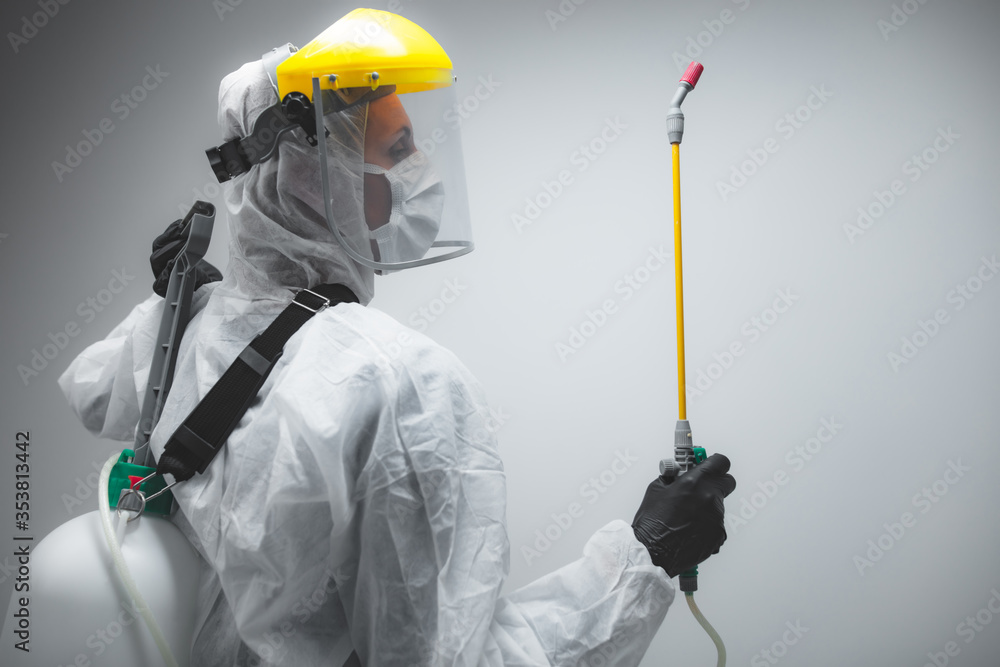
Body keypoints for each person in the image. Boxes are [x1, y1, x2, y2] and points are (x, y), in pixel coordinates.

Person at [58, 9, 735, 666]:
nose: (422, 173)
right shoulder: (397, 381)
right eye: (401, 150)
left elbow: (94, 390)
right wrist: (643, 559)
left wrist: (172, 303)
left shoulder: (194, 326)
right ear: (315, 171)